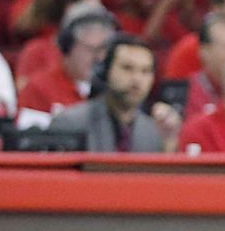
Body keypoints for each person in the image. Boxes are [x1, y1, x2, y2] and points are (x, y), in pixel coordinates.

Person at [49, 34, 177, 152]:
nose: (137, 79)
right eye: (127, 68)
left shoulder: (153, 132)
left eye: (145, 71)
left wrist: (169, 143)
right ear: (105, 72)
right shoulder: (70, 123)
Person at [19, 10, 117, 116]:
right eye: (91, 49)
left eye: (103, 49)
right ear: (68, 47)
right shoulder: (38, 88)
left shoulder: (115, 90)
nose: (100, 57)